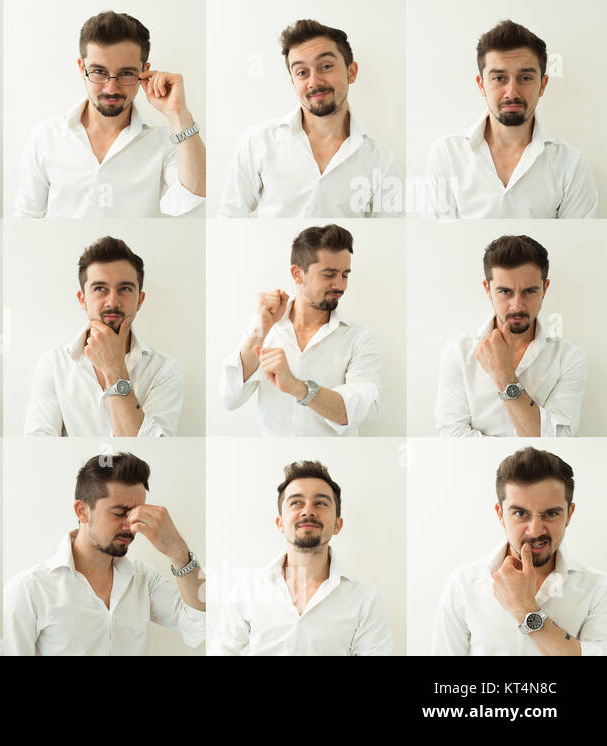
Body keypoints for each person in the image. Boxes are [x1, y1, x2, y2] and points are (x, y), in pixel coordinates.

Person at [4, 452, 205, 655]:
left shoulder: (143, 578)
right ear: (82, 510)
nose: (131, 525)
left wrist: (178, 551)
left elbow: (199, 625)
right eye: (119, 513)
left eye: (137, 514)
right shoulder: (28, 589)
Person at [13, 11, 205, 218]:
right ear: (81, 68)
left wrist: (178, 113)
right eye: (99, 72)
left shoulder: (164, 141)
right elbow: (27, 218)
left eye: (126, 73)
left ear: (144, 71)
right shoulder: (46, 137)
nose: (111, 88)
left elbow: (194, 198)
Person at [432, 448, 606, 655]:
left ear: (569, 514)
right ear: (500, 514)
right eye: (520, 513)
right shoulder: (463, 584)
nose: (535, 530)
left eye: (550, 513)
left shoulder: (599, 589)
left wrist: (525, 609)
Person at [219, 19, 400, 218]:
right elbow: (230, 221)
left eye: (326, 66)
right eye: (302, 72)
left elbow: (388, 239)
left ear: (352, 71)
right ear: (293, 82)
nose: (314, 81)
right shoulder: (258, 141)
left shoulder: (381, 160)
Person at [211, 460, 393, 655]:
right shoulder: (246, 589)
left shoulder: (365, 600)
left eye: (321, 503)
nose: (308, 511)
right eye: (296, 502)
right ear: (280, 523)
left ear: (338, 525)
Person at [424, 20, 597, 219]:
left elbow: (578, 245)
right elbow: (439, 243)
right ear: (481, 85)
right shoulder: (447, 155)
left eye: (525, 78)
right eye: (499, 78)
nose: (512, 92)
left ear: (543, 84)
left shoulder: (572, 164)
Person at [220, 224, 381, 436]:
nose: (340, 285)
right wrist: (261, 330)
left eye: (345, 275)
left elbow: (364, 412)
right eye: (329, 274)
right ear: (298, 274)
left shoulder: (359, 338)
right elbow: (230, 399)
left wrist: (299, 388)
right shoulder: (263, 327)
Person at [24, 236, 183, 436]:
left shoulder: (165, 371)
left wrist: (115, 369)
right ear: (82, 299)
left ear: (140, 300)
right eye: (100, 288)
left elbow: (154, 452)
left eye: (125, 289)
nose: (112, 301)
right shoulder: (54, 365)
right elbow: (38, 448)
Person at [436, 235, 586, 437]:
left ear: (545, 288)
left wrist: (505, 376)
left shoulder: (569, 358)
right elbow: (451, 436)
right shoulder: (458, 352)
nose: (517, 305)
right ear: (487, 290)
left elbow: (561, 440)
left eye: (529, 291)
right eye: (505, 291)